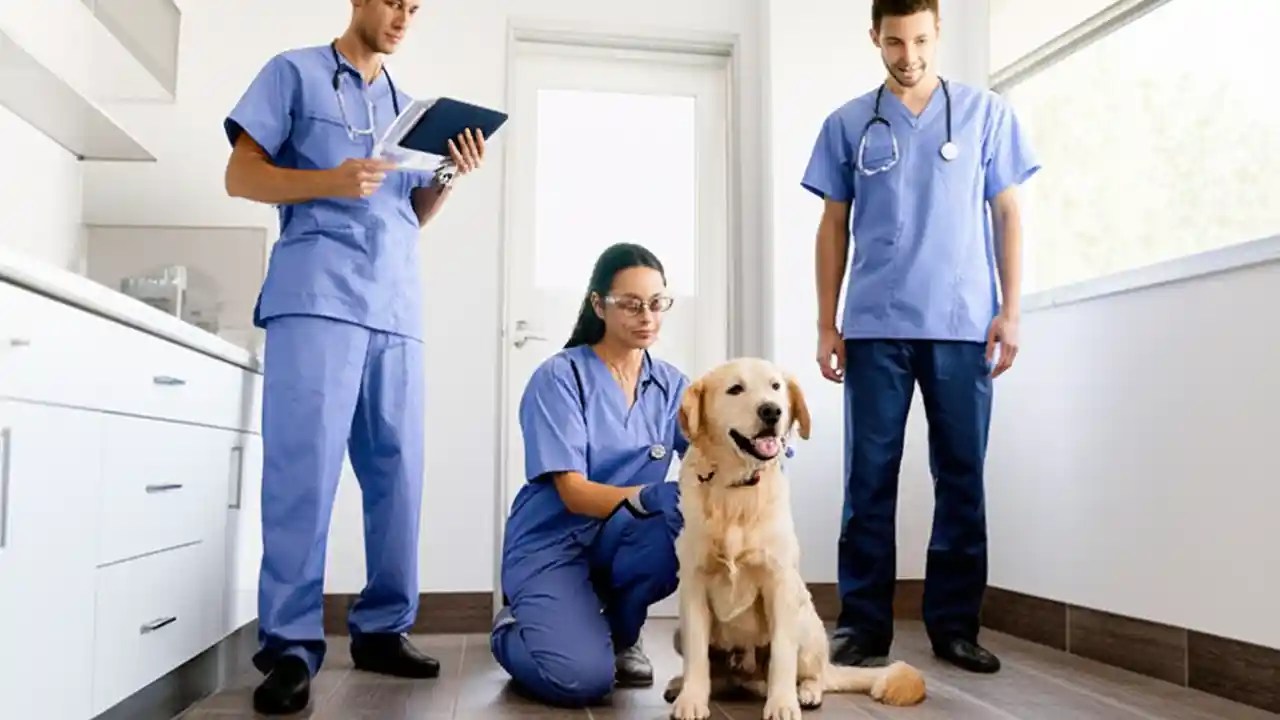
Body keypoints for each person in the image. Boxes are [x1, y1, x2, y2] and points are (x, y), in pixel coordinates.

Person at [221, 0, 486, 714]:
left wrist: (448, 177)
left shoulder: (409, 109)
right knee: (302, 473)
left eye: (415, 6)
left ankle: (381, 629)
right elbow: (241, 176)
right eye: (393, 0)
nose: (403, 15)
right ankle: (288, 648)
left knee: (399, 474)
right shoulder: (295, 75)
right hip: (316, 297)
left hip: (395, 305)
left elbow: (407, 212)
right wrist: (328, 179)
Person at [801, 0, 1040, 675]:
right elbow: (832, 226)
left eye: (922, 40)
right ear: (874, 37)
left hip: (963, 324)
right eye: (895, 42)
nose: (909, 55)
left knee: (961, 476)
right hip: (876, 324)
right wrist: (827, 321)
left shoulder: (986, 115)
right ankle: (864, 626)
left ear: (940, 33)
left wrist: (1012, 309)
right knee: (868, 480)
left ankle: (956, 625)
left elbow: (1007, 212)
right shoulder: (848, 123)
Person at [490, 243, 689, 707]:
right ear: (598, 305)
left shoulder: (674, 386)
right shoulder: (560, 377)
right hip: (552, 545)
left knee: (685, 519)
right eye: (631, 304)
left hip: (619, 539)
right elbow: (574, 494)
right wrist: (652, 496)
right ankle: (512, 628)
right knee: (581, 680)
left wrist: (765, 438)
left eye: (657, 303)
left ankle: (621, 634)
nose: (648, 316)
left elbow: (718, 450)